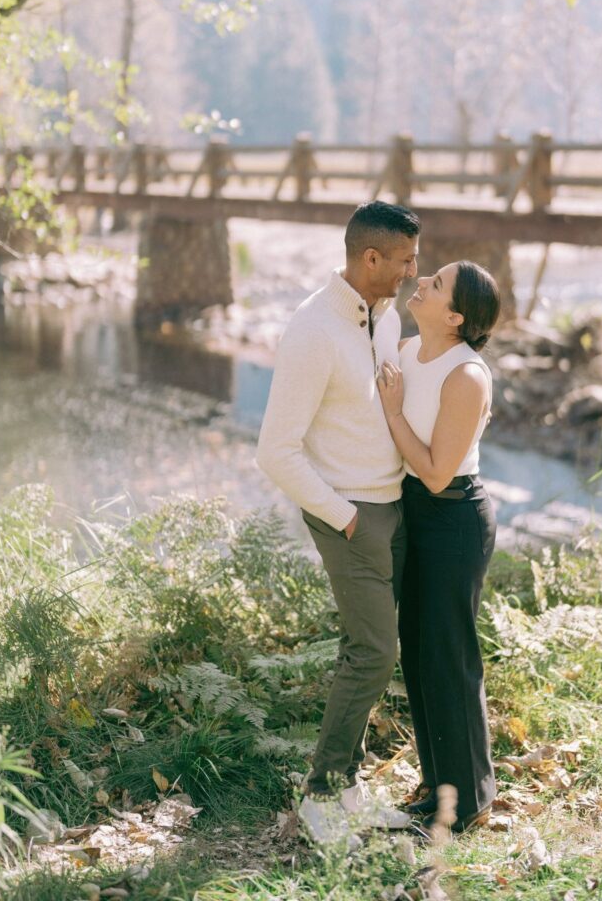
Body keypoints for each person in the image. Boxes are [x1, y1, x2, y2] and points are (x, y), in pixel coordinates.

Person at [256, 200, 420, 839]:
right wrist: (345, 517)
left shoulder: (385, 313)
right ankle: (322, 797)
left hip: (393, 505)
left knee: (369, 651)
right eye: (406, 259)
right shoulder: (313, 330)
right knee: (375, 656)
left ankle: (344, 790)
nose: (415, 269)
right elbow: (275, 451)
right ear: (370, 257)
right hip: (350, 513)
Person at [376, 259, 500, 835]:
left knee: (449, 657)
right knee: (418, 653)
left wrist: (395, 412)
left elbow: (431, 470)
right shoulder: (405, 351)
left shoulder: (466, 375)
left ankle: (469, 801)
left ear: (453, 316)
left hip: (453, 516)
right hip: (415, 513)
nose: (421, 281)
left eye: (436, 284)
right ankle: (437, 786)